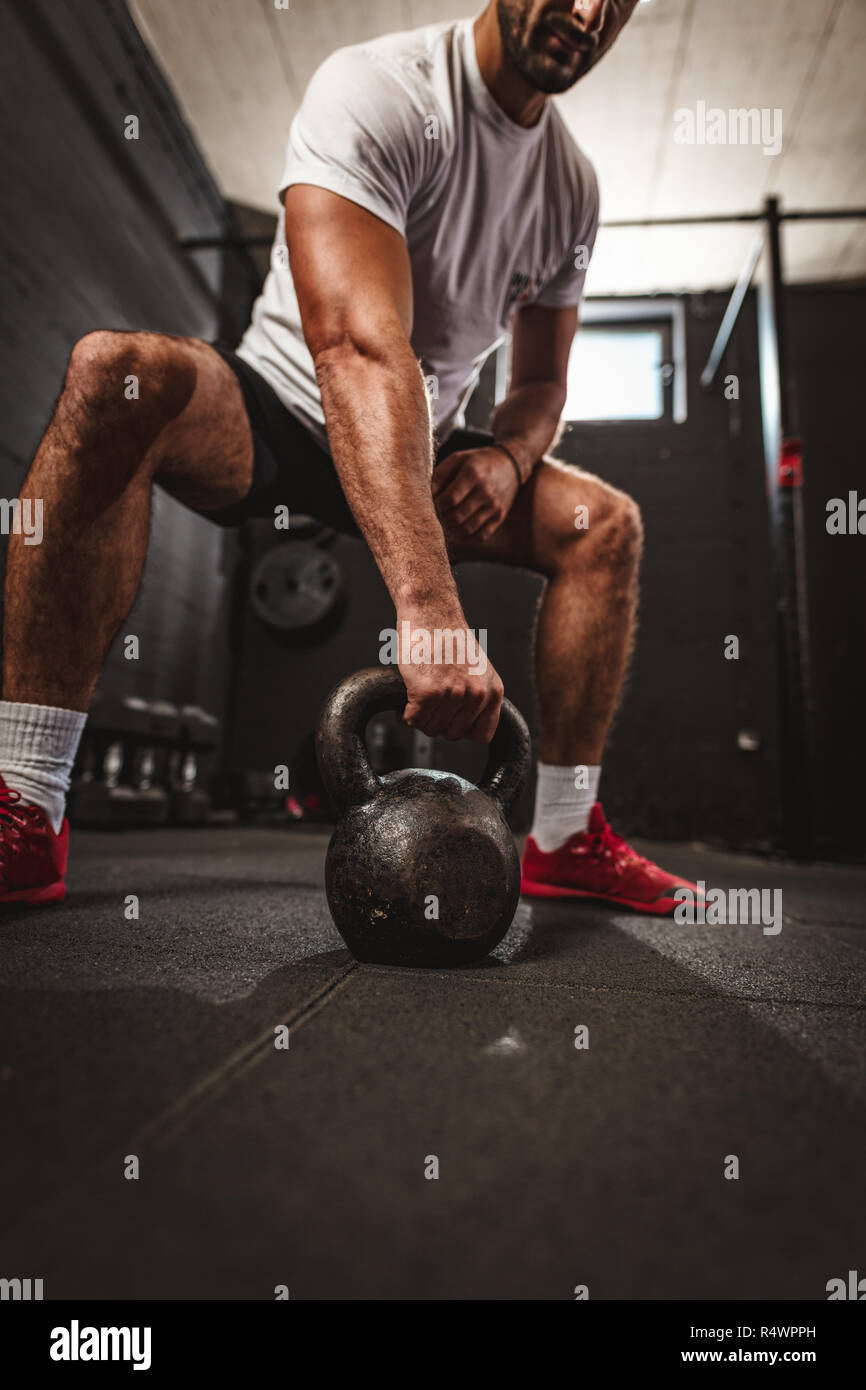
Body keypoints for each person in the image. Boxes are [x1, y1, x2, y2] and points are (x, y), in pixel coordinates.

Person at [0, 0, 701, 914]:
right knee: (113, 375)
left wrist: (508, 459)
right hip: (285, 407)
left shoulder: (571, 187)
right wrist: (430, 611)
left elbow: (539, 387)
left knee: (603, 526)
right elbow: (358, 349)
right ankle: (23, 802)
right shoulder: (381, 90)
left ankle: (565, 837)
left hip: (433, 443)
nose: (587, 12)